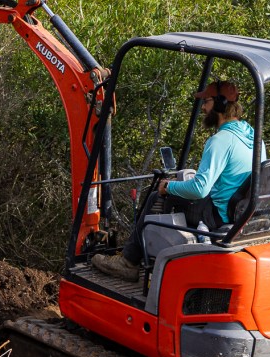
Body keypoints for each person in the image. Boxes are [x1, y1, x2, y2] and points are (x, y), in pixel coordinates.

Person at [90, 80, 256, 281]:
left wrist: (169, 186)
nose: (203, 107)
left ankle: (129, 262)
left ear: (220, 104)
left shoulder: (220, 140)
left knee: (156, 197)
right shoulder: (253, 137)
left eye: (207, 102)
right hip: (239, 213)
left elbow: (200, 189)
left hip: (218, 215)